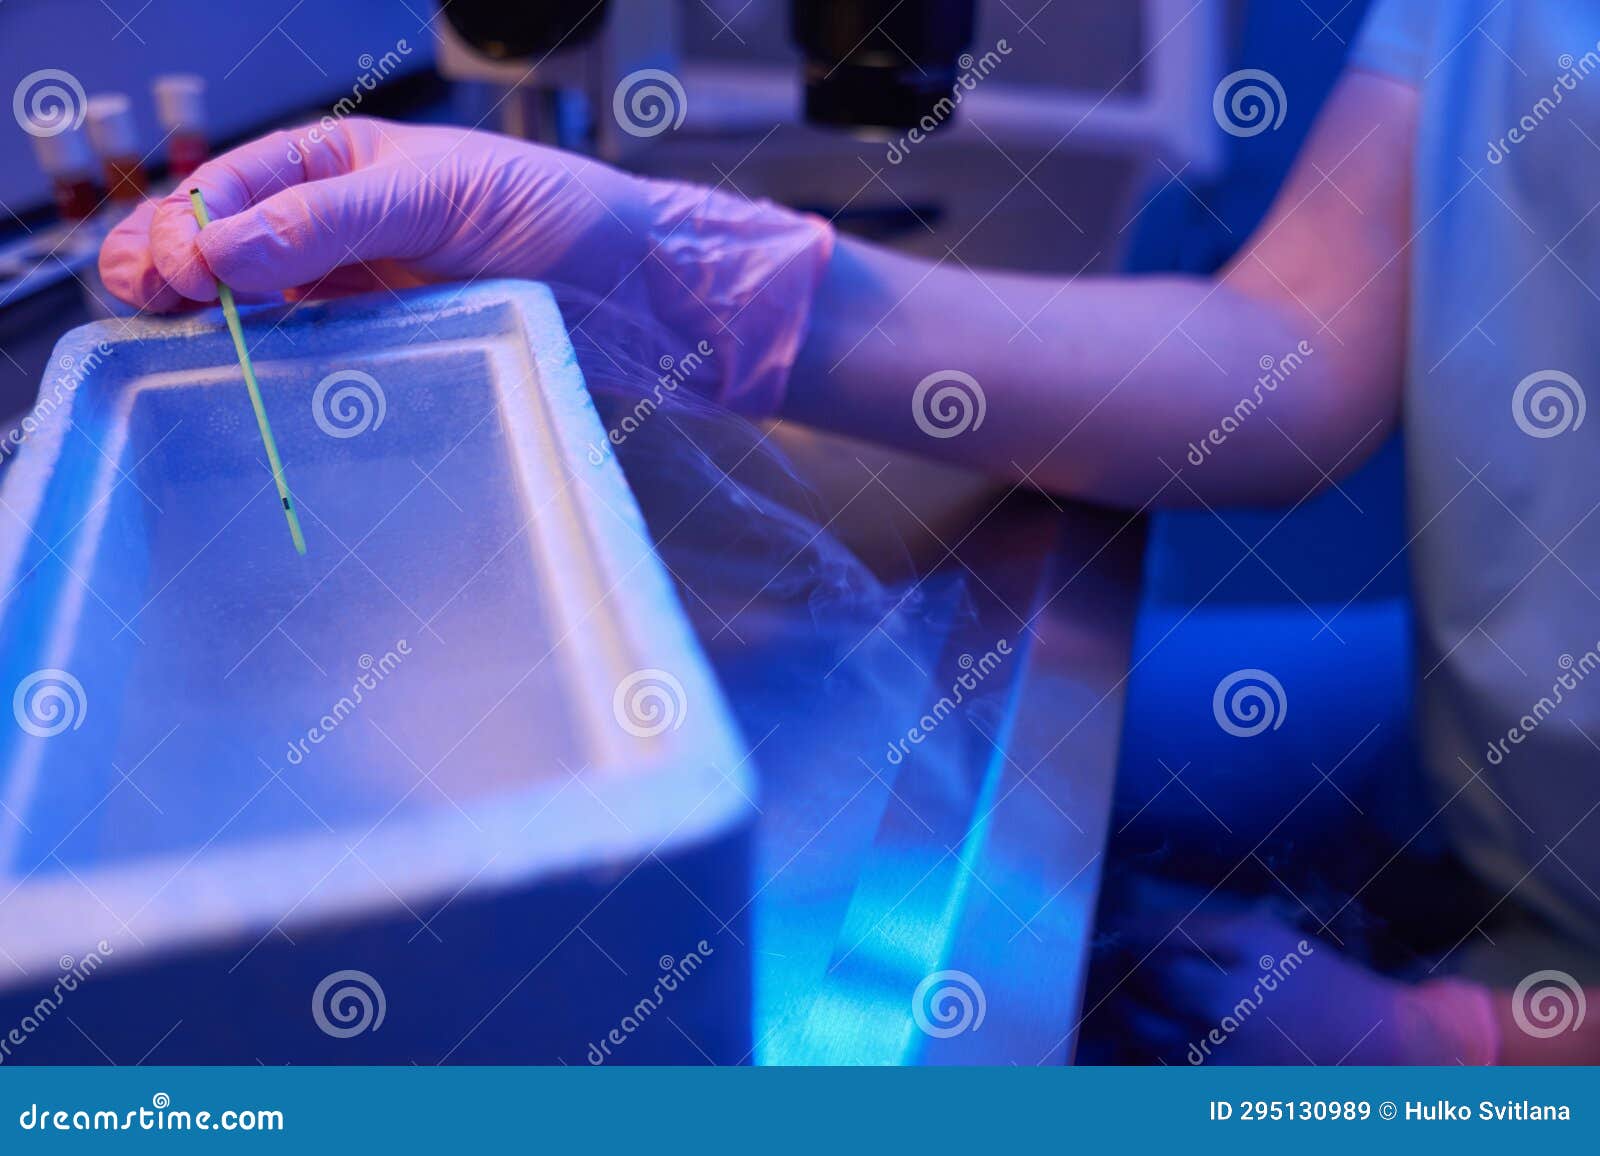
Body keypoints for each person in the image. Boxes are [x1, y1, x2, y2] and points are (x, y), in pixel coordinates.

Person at [100, 0, 1599, 1064]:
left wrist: (1468, 1051)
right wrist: (642, 261)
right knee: (894, 781)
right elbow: (1290, 353)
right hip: (1492, 747)